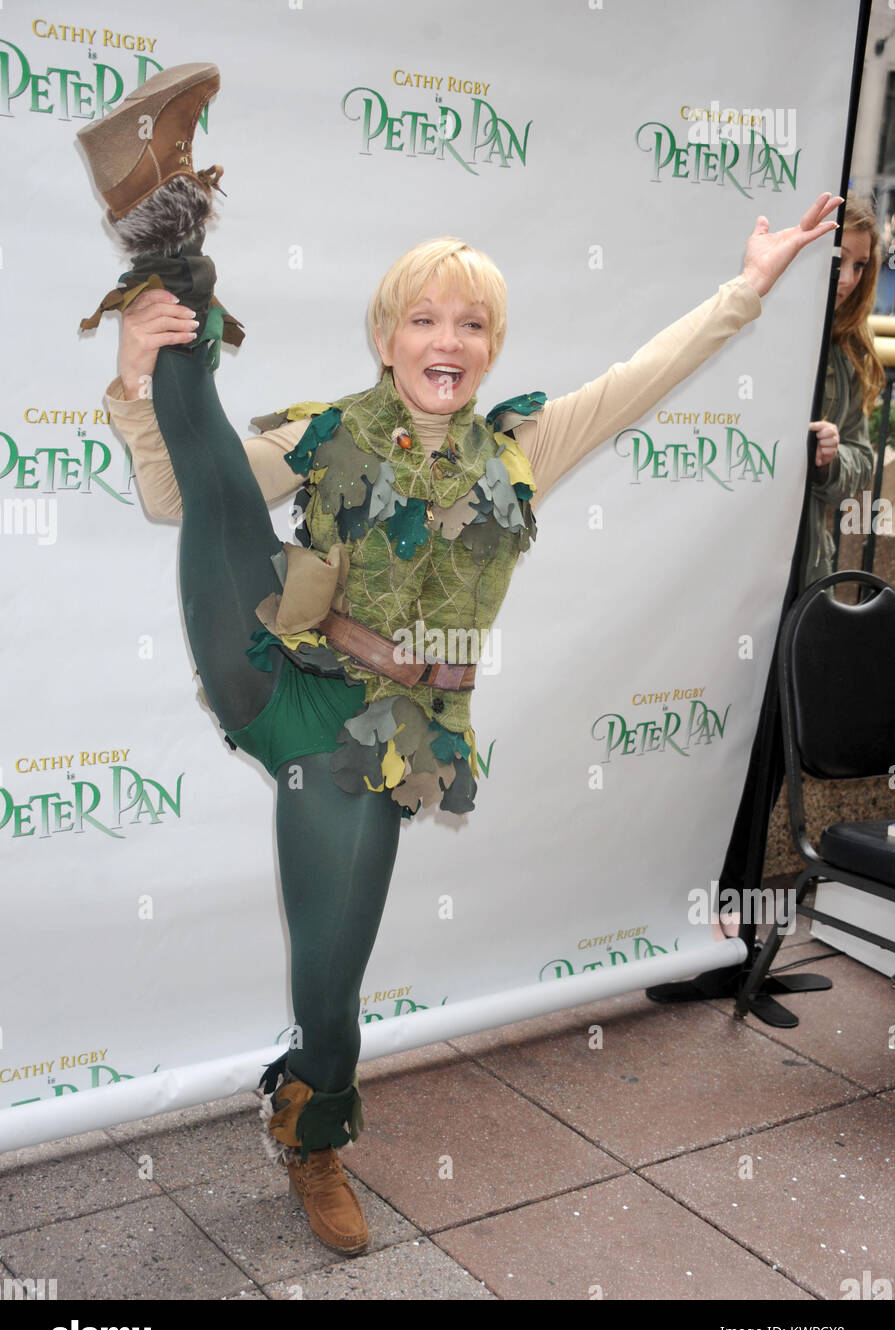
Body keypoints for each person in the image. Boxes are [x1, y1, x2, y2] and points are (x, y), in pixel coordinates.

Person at [77, 62, 842, 1258]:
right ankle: (163, 227)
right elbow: (186, 493)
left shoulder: (526, 442)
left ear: (490, 347)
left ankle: (308, 1120)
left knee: (332, 975)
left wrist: (743, 291)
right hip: (273, 668)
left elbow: (647, 378)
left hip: (387, 736)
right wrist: (137, 379)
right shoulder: (330, 429)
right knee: (229, 472)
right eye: (425, 317)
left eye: (471, 321)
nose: (449, 337)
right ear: (387, 338)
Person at [802, 194, 883, 591]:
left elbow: (863, 458)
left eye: (861, 265)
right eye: (841, 259)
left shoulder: (847, 347)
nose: (849, 279)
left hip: (806, 562)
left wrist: (828, 460)